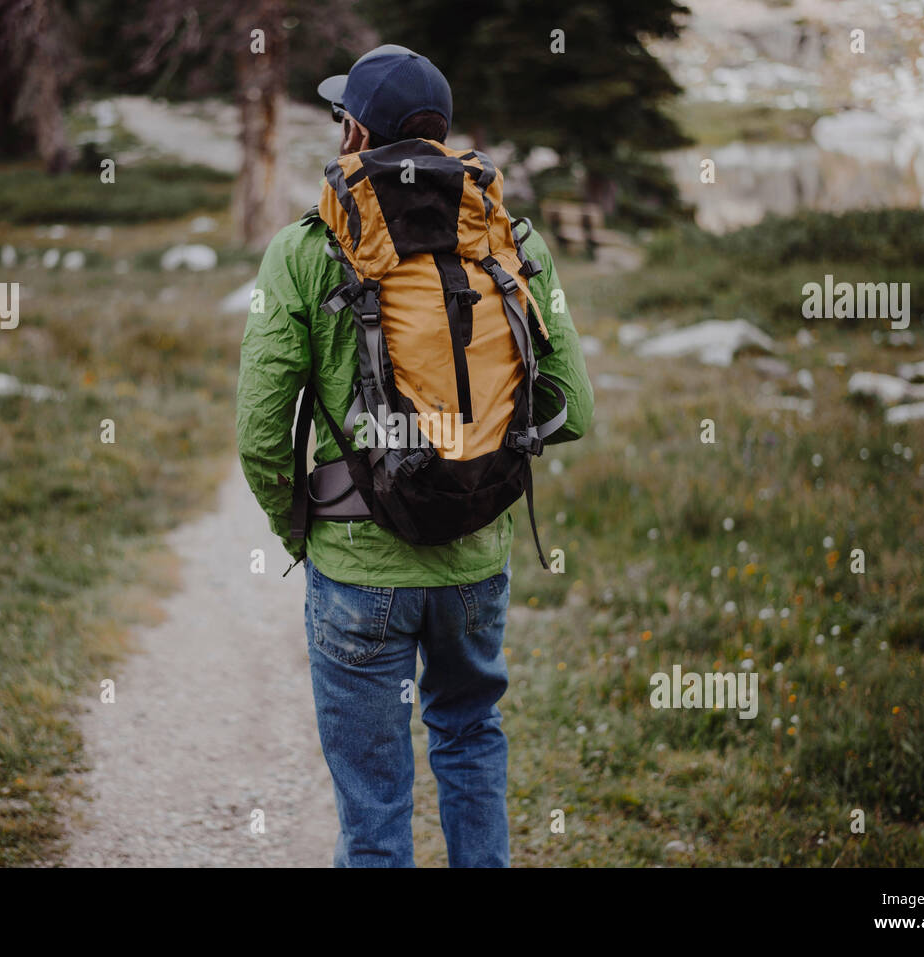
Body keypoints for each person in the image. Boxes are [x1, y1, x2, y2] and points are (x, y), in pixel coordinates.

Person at [235, 44, 594, 867]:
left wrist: (304, 533)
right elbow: (574, 404)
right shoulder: (510, 239)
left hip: (357, 569)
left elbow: (260, 431)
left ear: (356, 131)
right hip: (474, 564)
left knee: (373, 802)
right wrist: (478, 465)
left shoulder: (304, 248)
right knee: (470, 738)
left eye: (339, 119)